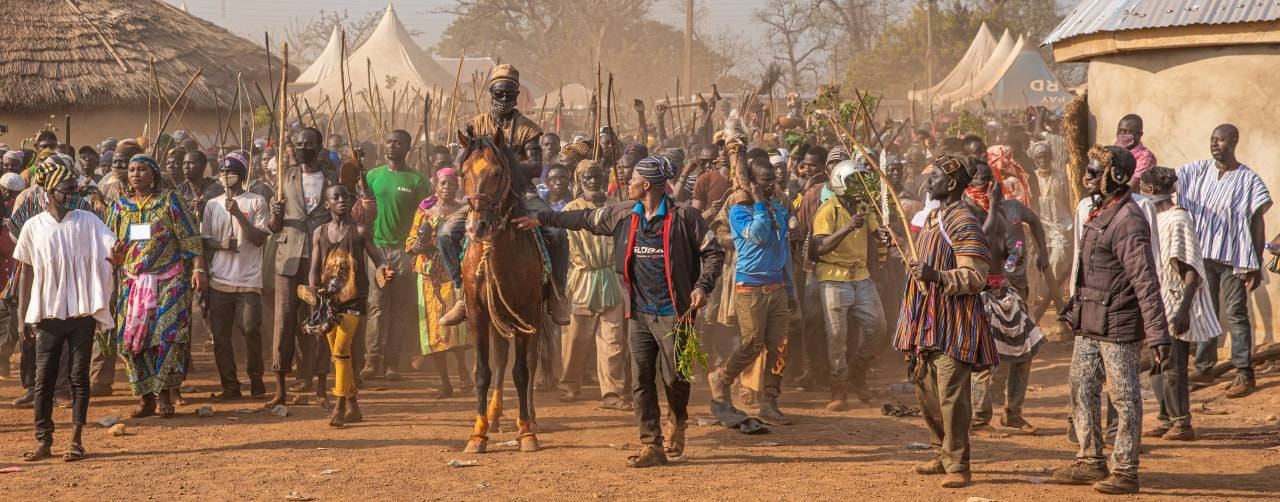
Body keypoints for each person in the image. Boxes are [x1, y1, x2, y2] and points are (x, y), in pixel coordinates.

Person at [514, 155, 724, 468]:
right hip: (639, 311)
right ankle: (651, 444)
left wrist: (701, 287)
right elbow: (584, 218)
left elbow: (713, 253)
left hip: (674, 313)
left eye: (634, 177)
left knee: (675, 377)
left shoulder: (686, 217)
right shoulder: (624, 215)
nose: (628, 181)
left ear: (648, 185)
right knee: (640, 379)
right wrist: (543, 219)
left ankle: (677, 421)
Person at [1053, 145, 1170, 495]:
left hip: (1118, 326)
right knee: (1081, 386)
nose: (1085, 177)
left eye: (1092, 172)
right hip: (1090, 321)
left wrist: (1158, 334)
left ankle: (1125, 469)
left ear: (1115, 177)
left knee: (1124, 398)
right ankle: (1090, 460)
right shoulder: (1100, 212)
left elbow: (1145, 281)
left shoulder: (1128, 221)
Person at [439, 63, 569, 327]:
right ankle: (460, 293)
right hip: (483, 196)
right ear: (491, 93)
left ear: (517, 94)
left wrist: (504, 166)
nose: (504, 99)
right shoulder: (475, 125)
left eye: (510, 94)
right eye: (500, 93)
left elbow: (536, 165)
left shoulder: (529, 129)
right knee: (445, 234)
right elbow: (459, 160)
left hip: (522, 194)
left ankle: (557, 295)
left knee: (557, 234)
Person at [895, 154, 994, 489]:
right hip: (926, 321)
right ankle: (941, 452)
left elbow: (976, 275)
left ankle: (958, 464)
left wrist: (936, 275)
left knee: (952, 396)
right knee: (927, 392)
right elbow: (921, 263)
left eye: (934, 177)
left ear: (952, 184)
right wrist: (897, 245)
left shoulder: (962, 220)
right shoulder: (934, 218)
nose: (928, 182)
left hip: (953, 323)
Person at [14, 161, 116, 462]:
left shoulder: (88, 220)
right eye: (67, 190)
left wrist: (119, 255)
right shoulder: (34, 226)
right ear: (49, 192)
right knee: (43, 380)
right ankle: (44, 440)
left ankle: (75, 439)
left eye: (75, 189)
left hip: (81, 312)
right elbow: (26, 274)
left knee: (78, 378)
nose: (73, 195)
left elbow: (111, 249)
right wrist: (23, 315)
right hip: (48, 314)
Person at [106, 154, 206, 418]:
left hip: (168, 281)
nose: (136, 174)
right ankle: (145, 398)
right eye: (131, 170)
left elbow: (190, 236)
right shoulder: (119, 207)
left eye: (141, 169)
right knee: (131, 340)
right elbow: (110, 241)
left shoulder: (170, 201)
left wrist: (198, 268)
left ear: (154, 174)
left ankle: (165, 396)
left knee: (165, 336)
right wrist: (115, 258)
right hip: (132, 282)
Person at [1178, 124, 1271, 397]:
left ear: (1234, 141)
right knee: (1204, 310)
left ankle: (1244, 372)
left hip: (1233, 258)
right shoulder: (1197, 172)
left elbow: (1257, 223)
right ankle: (1205, 368)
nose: (1214, 144)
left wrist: (1254, 261)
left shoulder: (1249, 180)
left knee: (1235, 313)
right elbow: (1164, 179)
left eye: (1220, 139)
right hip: (1202, 255)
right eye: (1212, 139)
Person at [300, 184, 394, 427]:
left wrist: (384, 271)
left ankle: (339, 406)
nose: (342, 200)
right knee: (339, 356)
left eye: (346, 196)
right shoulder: (320, 232)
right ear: (327, 204)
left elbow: (378, 258)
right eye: (336, 197)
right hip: (328, 301)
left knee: (341, 350)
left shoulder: (360, 231)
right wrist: (313, 294)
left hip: (353, 299)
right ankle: (354, 405)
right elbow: (314, 268)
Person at [709, 156, 793, 424]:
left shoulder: (778, 209)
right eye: (765, 180)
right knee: (752, 344)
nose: (772, 185)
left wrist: (789, 289)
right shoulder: (739, 210)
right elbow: (757, 235)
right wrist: (758, 201)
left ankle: (769, 401)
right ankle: (722, 378)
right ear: (752, 182)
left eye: (773, 179)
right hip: (750, 288)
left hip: (776, 286)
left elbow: (784, 250)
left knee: (778, 347)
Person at [1138, 166, 1220, 441]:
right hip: (1157, 300)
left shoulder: (1177, 220)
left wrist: (1184, 309)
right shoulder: (1155, 217)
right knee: (1158, 364)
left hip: (1173, 301)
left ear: (1149, 190)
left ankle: (1182, 422)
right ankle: (1165, 417)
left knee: (1173, 364)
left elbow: (1190, 270)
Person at [266, 127, 336, 407]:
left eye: (308, 144)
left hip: (321, 258)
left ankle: (320, 386)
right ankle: (280, 387)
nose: (302, 148)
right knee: (284, 321)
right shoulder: (285, 177)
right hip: (289, 258)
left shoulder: (331, 179)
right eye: (298, 144)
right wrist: (276, 214)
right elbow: (274, 227)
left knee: (320, 319)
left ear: (319, 147)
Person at [811, 158, 886, 410]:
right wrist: (847, 227)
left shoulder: (864, 206)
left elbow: (876, 231)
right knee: (836, 337)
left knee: (878, 328)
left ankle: (857, 373)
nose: (860, 187)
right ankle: (838, 389)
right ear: (841, 183)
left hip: (861, 276)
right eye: (855, 182)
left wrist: (884, 235)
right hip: (833, 279)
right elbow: (819, 247)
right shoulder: (828, 210)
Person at [557, 161, 631, 410]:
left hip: (611, 278)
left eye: (598, 176)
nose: (594, 181)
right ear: (579, 180)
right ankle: (569, 385)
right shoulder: (571, 209)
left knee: (613, 340)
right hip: (582, 279)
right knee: (576, 339)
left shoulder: (616, 207)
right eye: (588, 177)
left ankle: (613, 392)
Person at [361, 129, 433, 382]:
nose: (393, 146)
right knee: (377, 306)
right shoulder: (372, 176)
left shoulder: (418, 181)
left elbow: (427, 216)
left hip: (405, 251)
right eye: (389, 141)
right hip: (376, 249)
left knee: (400, 309)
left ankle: (393, 363)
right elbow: (360, 212)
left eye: (399, 143)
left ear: (408, 149)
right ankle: (372, 360)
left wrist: (418, 244)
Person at [201, 153, 271, 401]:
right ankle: (229, 384)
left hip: (249, 280)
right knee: (220, 336)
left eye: (230, 171)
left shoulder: (257, 201)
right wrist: (221, 244)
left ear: (240, 175)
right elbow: (205, 240)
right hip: (220, 279)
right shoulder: (212, 204)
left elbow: (260, 238)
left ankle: (256, 378)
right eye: (222, 170)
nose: (225, 175)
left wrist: (239, 215)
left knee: (251, 329)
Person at [404, 168, 473, 398]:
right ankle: (445, 382)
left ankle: (464, 373)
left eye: (451, 184)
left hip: (454, 275)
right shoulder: (425, 210)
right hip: (429, 275)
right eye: (443, 183)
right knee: (432, 332)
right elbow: (411, 242)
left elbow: (471, 240)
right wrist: (422, 242)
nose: (447, 188)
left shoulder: (464, 211)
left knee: (458, 331)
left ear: (457, 186)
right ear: (436, 184)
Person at [1115, 114, 1156, 187]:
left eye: (1127, 131)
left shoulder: (1145, 156)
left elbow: (1132, 185)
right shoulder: (1114, 150)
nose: (1122, 135)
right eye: (1120, 130)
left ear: (1139, 134)